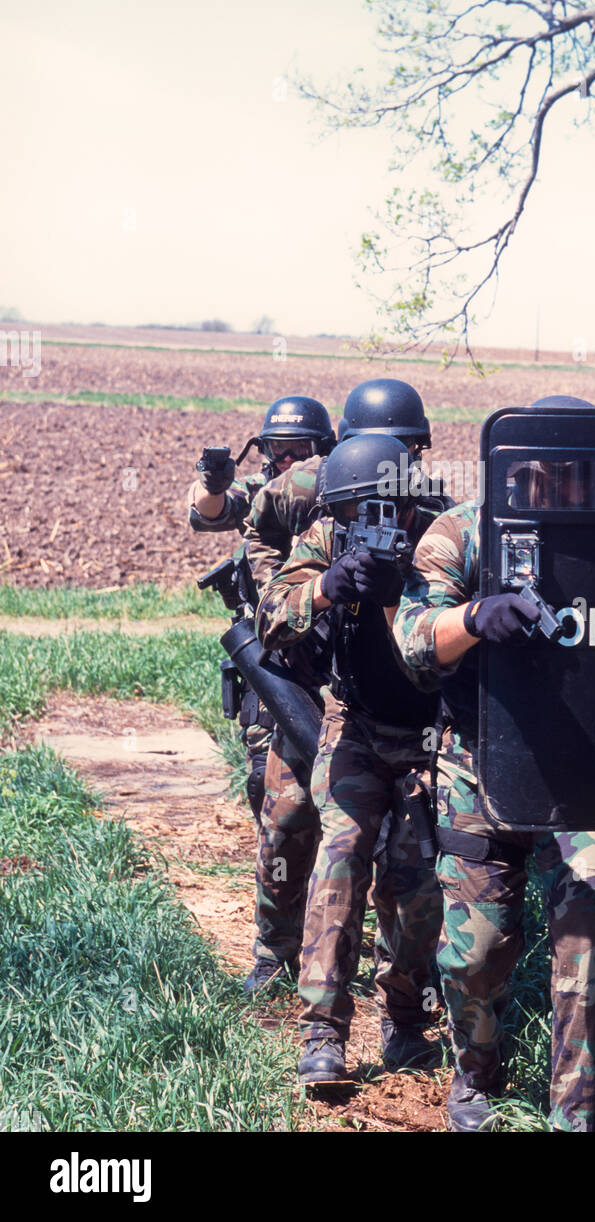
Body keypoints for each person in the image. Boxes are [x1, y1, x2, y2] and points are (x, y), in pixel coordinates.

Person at [390, 396, 595, 1132]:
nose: (572, 486)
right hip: (483, 763)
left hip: (594, 771)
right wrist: (473, 618)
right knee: (476, 954)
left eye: (588, 474)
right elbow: (411, 639)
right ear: (525, 467)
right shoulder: (464, 531)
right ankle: (477, 1070)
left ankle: (578, 1113)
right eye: (557, 472)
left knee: (587, 934)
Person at [255, 429, 452, 1081]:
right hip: (358, 721)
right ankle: (323, 1033)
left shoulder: (445, 536)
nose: (370, 523)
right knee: (339, 865)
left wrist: (404, 590)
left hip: (432, 732)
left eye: (382, 509)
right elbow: (270, 618)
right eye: (352, 512)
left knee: (419, 889)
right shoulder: (328, 538)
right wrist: (326, 587)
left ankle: (405, 1018)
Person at [188, 396, 335, 996]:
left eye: (300, 449)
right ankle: (276, 951)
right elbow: (206, 512)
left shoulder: (342, 489)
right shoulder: (263, 493)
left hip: (340, 666)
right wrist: (213, 482)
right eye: (278, 449)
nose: (289, 458)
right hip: (277, 666)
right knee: (274, 803)